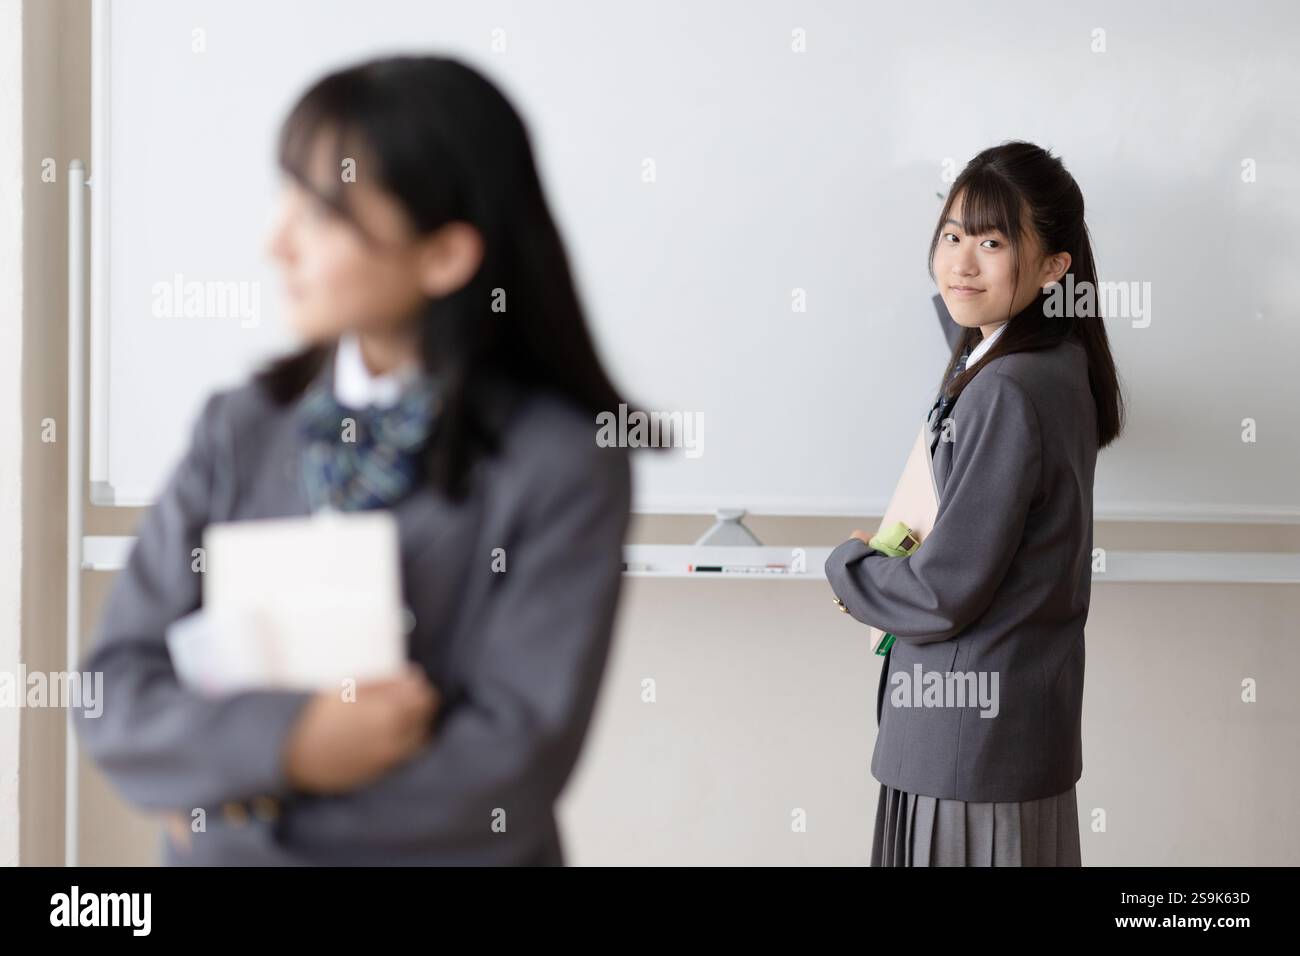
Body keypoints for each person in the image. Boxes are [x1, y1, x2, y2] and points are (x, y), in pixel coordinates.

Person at [74, 55, 635, 865]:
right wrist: (298, 744)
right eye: (285, 198)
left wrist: (238, 811)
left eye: (321, 212)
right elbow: (114, 690)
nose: (276, 243)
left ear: (445, 254)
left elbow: (511, 760)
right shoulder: (241, 427)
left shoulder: (560, 459)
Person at [825, 141, 1126, 866]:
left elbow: (943, 592)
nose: (961, 263)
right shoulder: (1055, 366)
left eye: (992, 243)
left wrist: (850, 569)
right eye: (952, 235)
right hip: (1010, 734)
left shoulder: (1004, 389)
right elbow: (969, 323)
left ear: (1057, 267)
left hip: (963, 746)